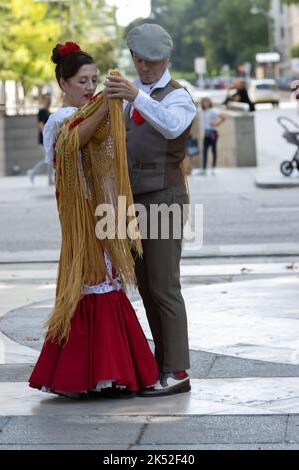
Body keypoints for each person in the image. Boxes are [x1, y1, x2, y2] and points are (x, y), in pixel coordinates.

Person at [28, 42, 158, 399]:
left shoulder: (87, 113)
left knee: (108, 278)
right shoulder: (58, 121)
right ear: (63, 83)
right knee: (90, 279)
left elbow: (102, 140)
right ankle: (88, 374)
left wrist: (109, 103)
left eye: (94, 80)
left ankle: (111, 372)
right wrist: (104, 104)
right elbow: (76, 140)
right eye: (82, 81)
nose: (89, 87)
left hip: (99, 211)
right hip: (78, 216)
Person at [104, 24, 197, 397]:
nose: (145, 68)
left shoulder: (179, 96)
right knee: (145, 285)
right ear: (132, 58)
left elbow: (173, 127)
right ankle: (162, 364)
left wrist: (135, 97)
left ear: (167, 60)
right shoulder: (132, 93)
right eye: (140, 60)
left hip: (165, 198)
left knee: (164, 286)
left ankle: (177, 370)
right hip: (132, 201)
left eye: (153, 62)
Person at [27, 93, 54, 185]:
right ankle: (33, 173)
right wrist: (46, 137)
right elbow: (40, 125)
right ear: (43, 101)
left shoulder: (49, 113)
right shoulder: (42, 111)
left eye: (50, 100)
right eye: (47, 100)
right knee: (48, 159)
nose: (49, 102)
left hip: (49, 140)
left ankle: (34, 173)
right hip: (43, 141)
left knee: (49, 159)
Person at [199, 97, 225, 175]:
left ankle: (213, 168)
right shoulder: (201, 111)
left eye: (207, 102)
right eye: (204, 102)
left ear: (210, 102)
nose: (205, 103)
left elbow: (223, 118)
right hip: (206, 133)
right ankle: (204, 169)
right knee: (204, 150)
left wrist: (216, 124)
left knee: (213, 150)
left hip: (213, 133)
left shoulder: (213, 111)